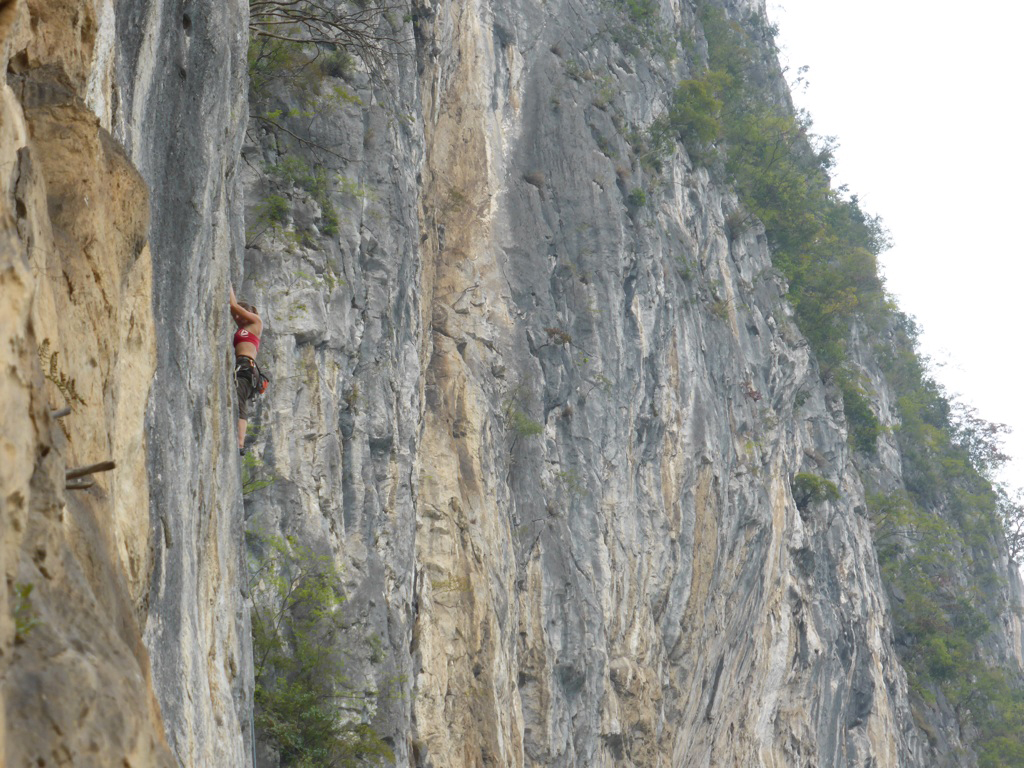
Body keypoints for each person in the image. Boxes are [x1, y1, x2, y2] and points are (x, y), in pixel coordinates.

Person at [230, 286, 263, 455]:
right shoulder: (242, 327)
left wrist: (228, 287)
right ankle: (239, 442)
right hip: (241, 366)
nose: (236, 318)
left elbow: (233, 306)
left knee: (240, 402)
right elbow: (233, 308)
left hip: (247, 367)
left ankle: (240, 444)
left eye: (240, 315)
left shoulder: (255, 322)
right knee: (237, 400)